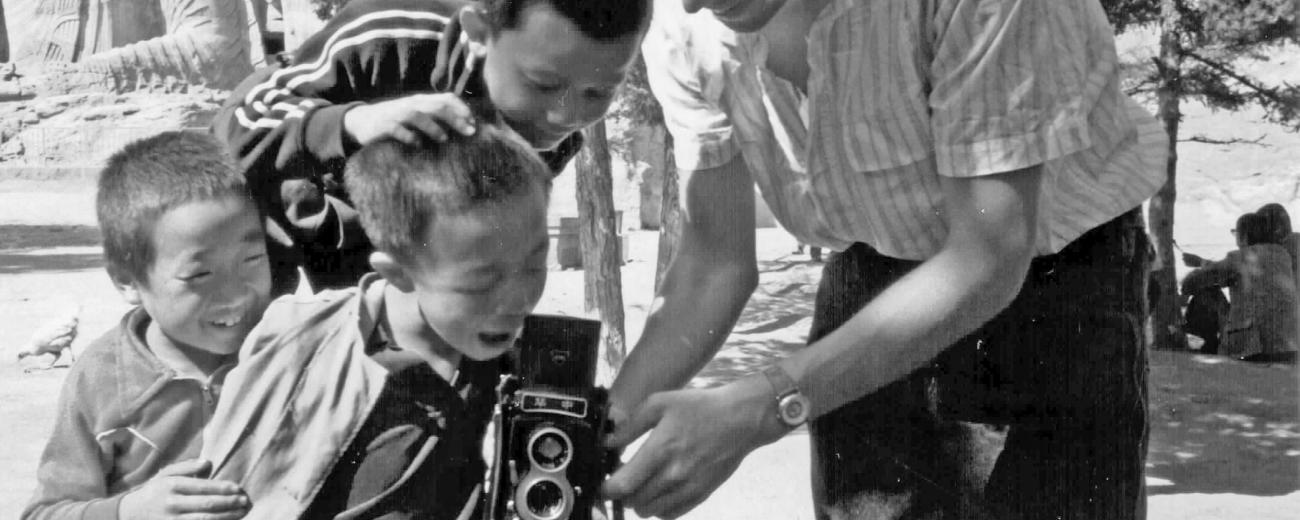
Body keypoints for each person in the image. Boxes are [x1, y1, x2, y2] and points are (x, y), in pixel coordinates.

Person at [601, 1, 1168, 519]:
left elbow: (988, 255)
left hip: (1053, 281)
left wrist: (766, 404)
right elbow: (713, 264)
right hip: (870, 267)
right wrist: (591, 434)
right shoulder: (685, 27)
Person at [199, 122, 554, 519]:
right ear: (398, 272)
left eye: (535, 265)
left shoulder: (526, 359)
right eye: (481, 282)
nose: (520, 300)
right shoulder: (309, 353)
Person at [213, 0, 649, 293]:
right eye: (543, 84)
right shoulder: (394, 32)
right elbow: (240, 123)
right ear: (478, 32)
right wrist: (354, 122)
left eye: (599, 93)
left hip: (387, 258)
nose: (565, 117)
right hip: (278, 231)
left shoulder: (550, 117)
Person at [22, 132, 272, 520]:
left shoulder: (286, 345)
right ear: (127, 281)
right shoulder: (102, 380)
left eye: (253, 259)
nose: (235, 293)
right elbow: (44, 513)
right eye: (199, 274)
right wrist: (130, 510)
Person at [1182, 212, 1299, 362]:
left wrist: (1190, 281)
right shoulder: (1283, 256)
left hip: (1254, 346)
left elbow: (1193, 282)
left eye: (1236, 233)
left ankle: (1205, 343)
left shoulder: (1240, 257)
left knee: (1208, 291)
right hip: (1289, 343)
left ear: (1244, 236)